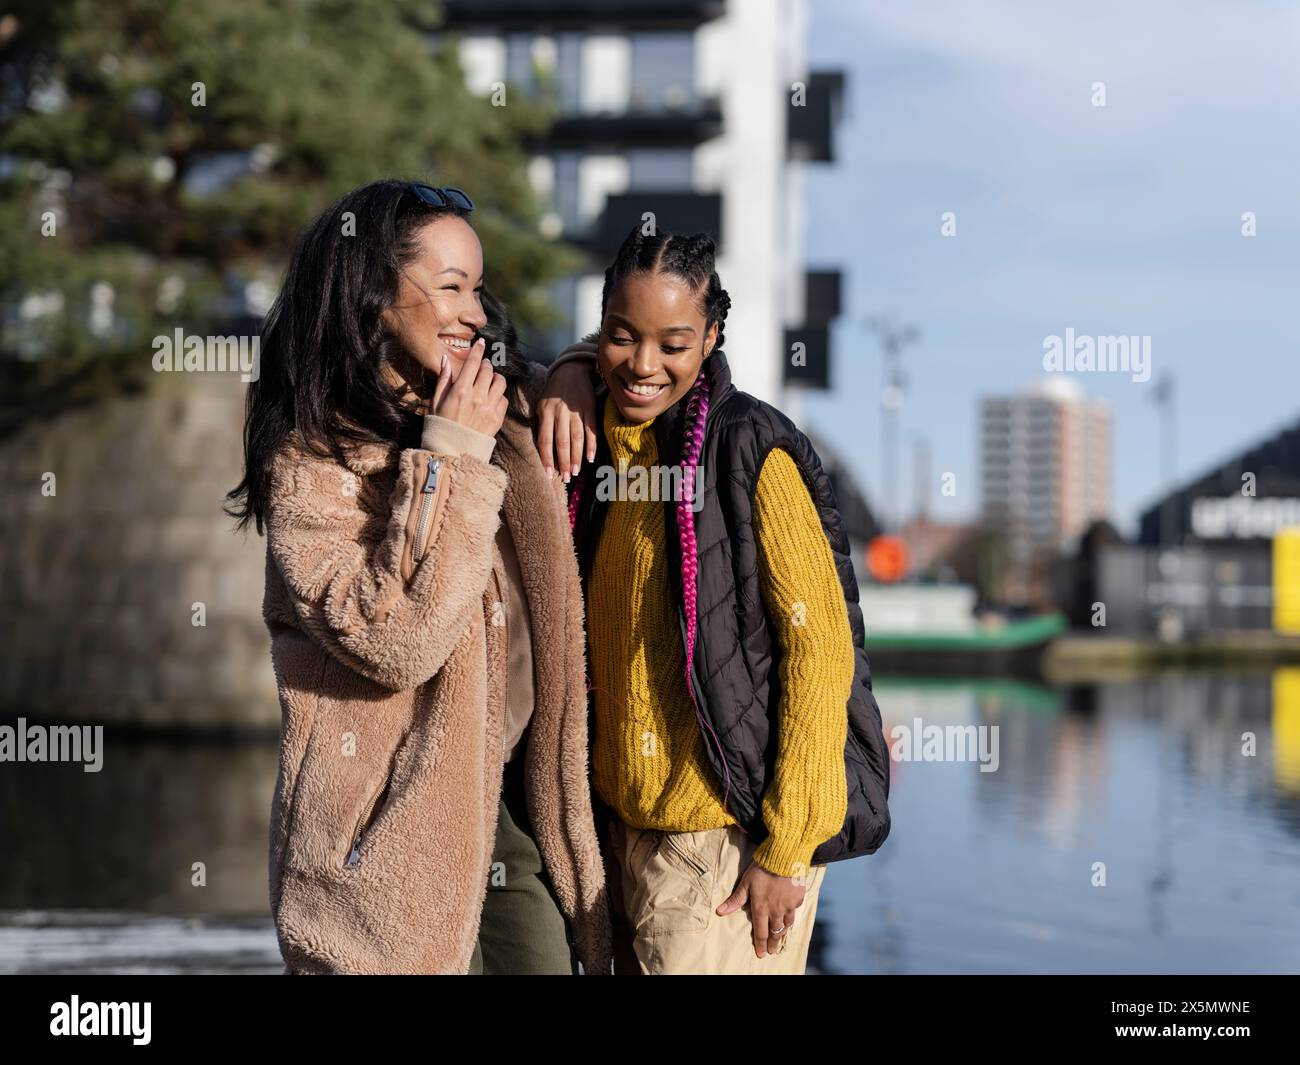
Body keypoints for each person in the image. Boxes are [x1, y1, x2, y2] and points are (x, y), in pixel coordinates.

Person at [226, 179, 612, 975]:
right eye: (450, 287)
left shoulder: (493, 408)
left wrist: (574, 366)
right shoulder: (315, 461)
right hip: (387, 837)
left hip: (505, 814)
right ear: (373, 297)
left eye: (478, 286)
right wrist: (451, 458)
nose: (474, 309)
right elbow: (398, 641)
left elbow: (628, 383)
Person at [536, 225, 891, 974]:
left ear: (712, 337)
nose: (643, 364)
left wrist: (787, 851)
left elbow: (820, 649)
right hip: (623, 836)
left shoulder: (747, 448)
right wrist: (569, 367)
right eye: (621, 336)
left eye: (674, 342)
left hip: (723, 850)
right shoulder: (596, 448)